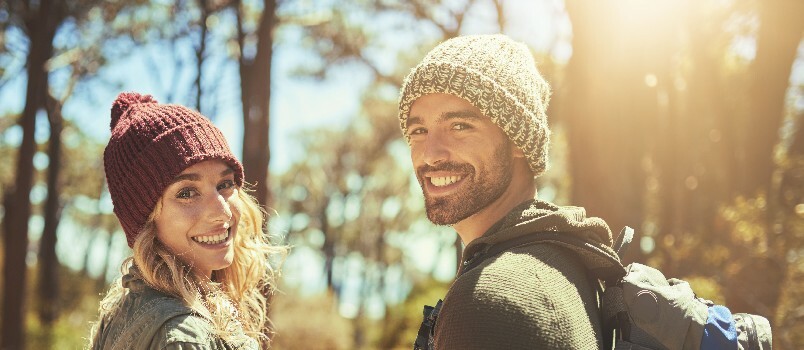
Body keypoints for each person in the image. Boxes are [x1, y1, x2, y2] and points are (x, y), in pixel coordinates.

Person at [398, 34, 615, 349]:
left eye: (459, 126)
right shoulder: (563, 262)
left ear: (518, 140)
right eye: (419, 131)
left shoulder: (493, 298)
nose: (430, 154)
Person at [88, 92, 284, 349]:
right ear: (145, 218)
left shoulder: (124, 311)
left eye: (225, 184)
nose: (222, 212)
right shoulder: (183, 337)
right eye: (187, 193)